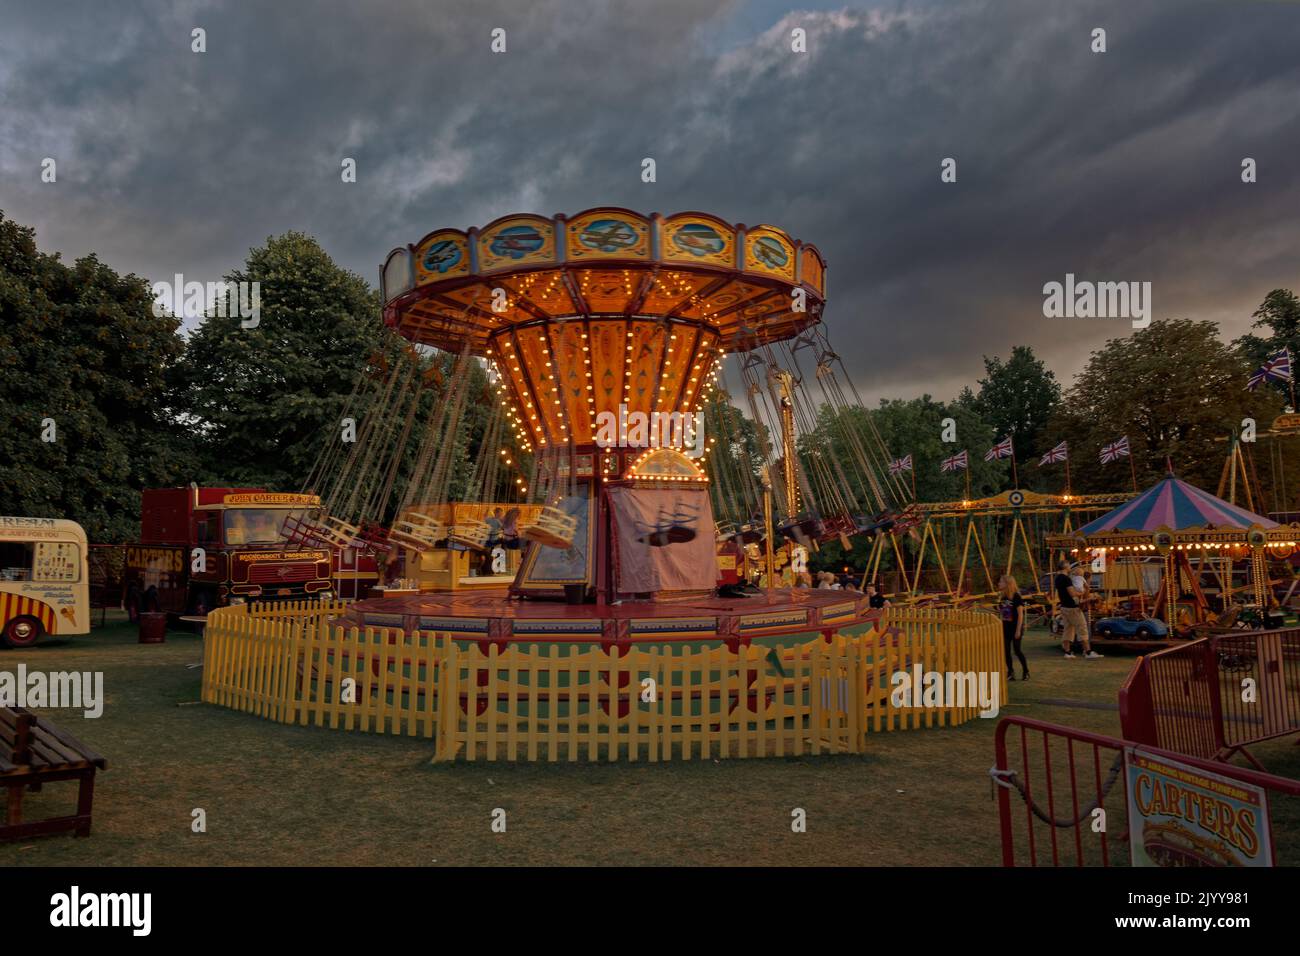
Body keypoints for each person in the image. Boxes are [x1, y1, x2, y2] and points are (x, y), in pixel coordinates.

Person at [1056, 559, 1102, 659]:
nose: (1070, 567)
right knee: (1082, 627)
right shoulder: (1066, 579)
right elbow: (1072, 593)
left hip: (1064, 607)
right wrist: (1083, 593)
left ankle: (1067, 652)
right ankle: (1088, 652)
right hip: (1072, 608)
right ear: (1065, 567)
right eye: (1068, 565)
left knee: (1068, 629)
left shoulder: (1058, 578)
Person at [998, 574, 1029, 681]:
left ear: (1007, 584)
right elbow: (1003, 613)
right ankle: (1010, 672)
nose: (999, 583)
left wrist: (1018, 630)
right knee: (1006, 651)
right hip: (1005, 627)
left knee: (1017, 650)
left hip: (1015, 628)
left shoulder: (1016, 596)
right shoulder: (1002, 597)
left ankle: (1026, 671)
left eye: (1001, 582)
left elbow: (1020, 615)